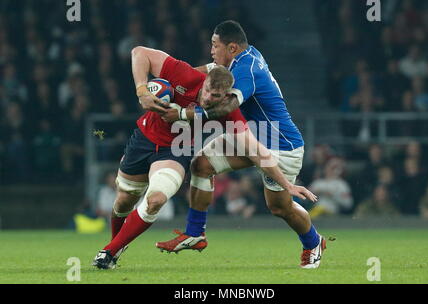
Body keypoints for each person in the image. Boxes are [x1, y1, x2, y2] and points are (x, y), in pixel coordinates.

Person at [92, 46, 317, 269]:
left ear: (227, 96)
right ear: (204, 79)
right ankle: (186, 235)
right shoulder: (185, 74)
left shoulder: (230, 105)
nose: (208, 98)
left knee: (156, 200)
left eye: (216, 96)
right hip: (142, 141)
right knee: (125, 200)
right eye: (208, 90)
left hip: (178, 151)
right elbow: (139, 52)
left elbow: (257, 151)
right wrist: (142, 90)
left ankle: (109, 252)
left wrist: (288, 184)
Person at [156, 20, 326, 269]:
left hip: (280, 146)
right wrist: (173, 81)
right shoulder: (243, 56)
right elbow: (207, 69)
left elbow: (227, 107)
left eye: (215, 45)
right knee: (201, 165)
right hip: (249, 136)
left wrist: (182, 114)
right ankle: (195, 234)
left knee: (279, 208)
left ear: (232, 47)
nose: (211, 49)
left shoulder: (246, 71)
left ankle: (313, 242)